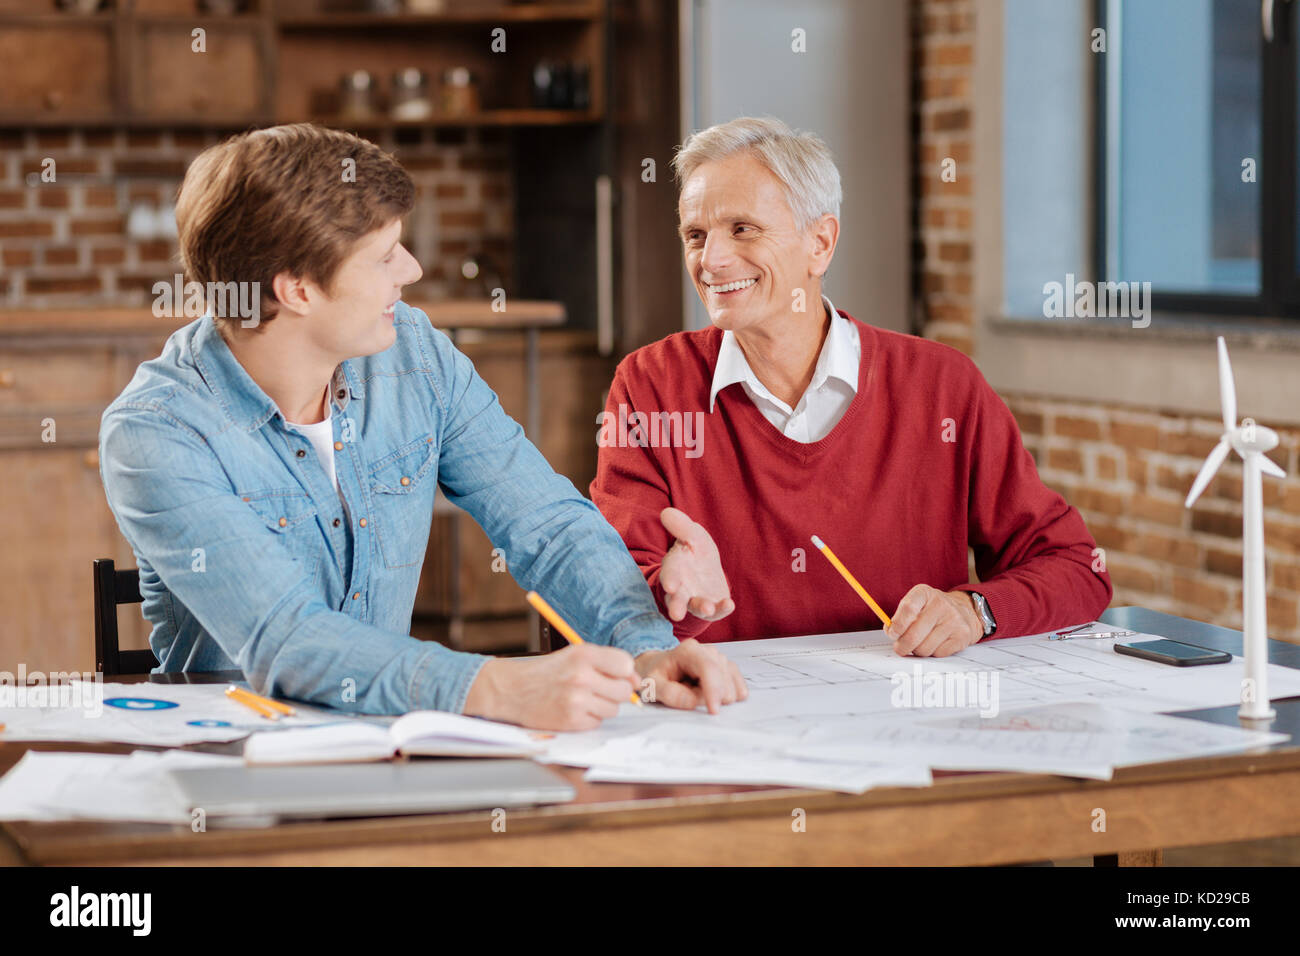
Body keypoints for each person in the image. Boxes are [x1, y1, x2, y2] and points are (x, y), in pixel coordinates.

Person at [99, 124, 746, 730]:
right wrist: (494, 687)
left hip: (394, 740)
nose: (410, 271)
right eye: (384, 256)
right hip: (234, 765)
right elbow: (289, 637)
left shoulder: (412, 353)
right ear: (296, 289)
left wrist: (647, 649)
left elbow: (544, 525)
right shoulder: (156, 434)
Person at [591, 116, 1112, 657]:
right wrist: (672, 595)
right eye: (695, 235)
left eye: (742, 229)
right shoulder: (649, 385)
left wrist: (974, 610)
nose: (712, 260)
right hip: (729, 717)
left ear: (820, 242)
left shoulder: (942, 387)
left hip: (902, 720)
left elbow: (1077, 569)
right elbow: (609, 602)